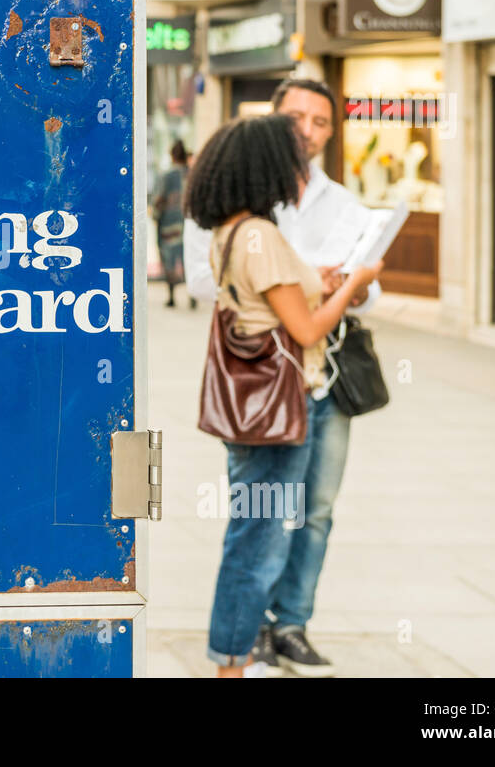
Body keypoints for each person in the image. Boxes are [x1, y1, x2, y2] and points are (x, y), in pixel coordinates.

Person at [185, 77, 381, 677]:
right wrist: (352, 280)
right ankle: (233, 663)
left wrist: (319, 280)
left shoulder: (233, 230)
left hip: (257, 413)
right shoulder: (262, 236)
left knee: (255, 533)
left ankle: (235, 657)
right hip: (277, 416)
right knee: (260, 542)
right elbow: (305, 329)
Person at [150, 142, 195, 308]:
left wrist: (156, 217)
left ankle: (171, 296)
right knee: (187, 258)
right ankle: (192, 296)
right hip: (190, 224)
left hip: (169, 224)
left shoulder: (166, 176)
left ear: (172, 156)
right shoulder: (193, 174)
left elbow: (159, 199)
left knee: (169, 259)